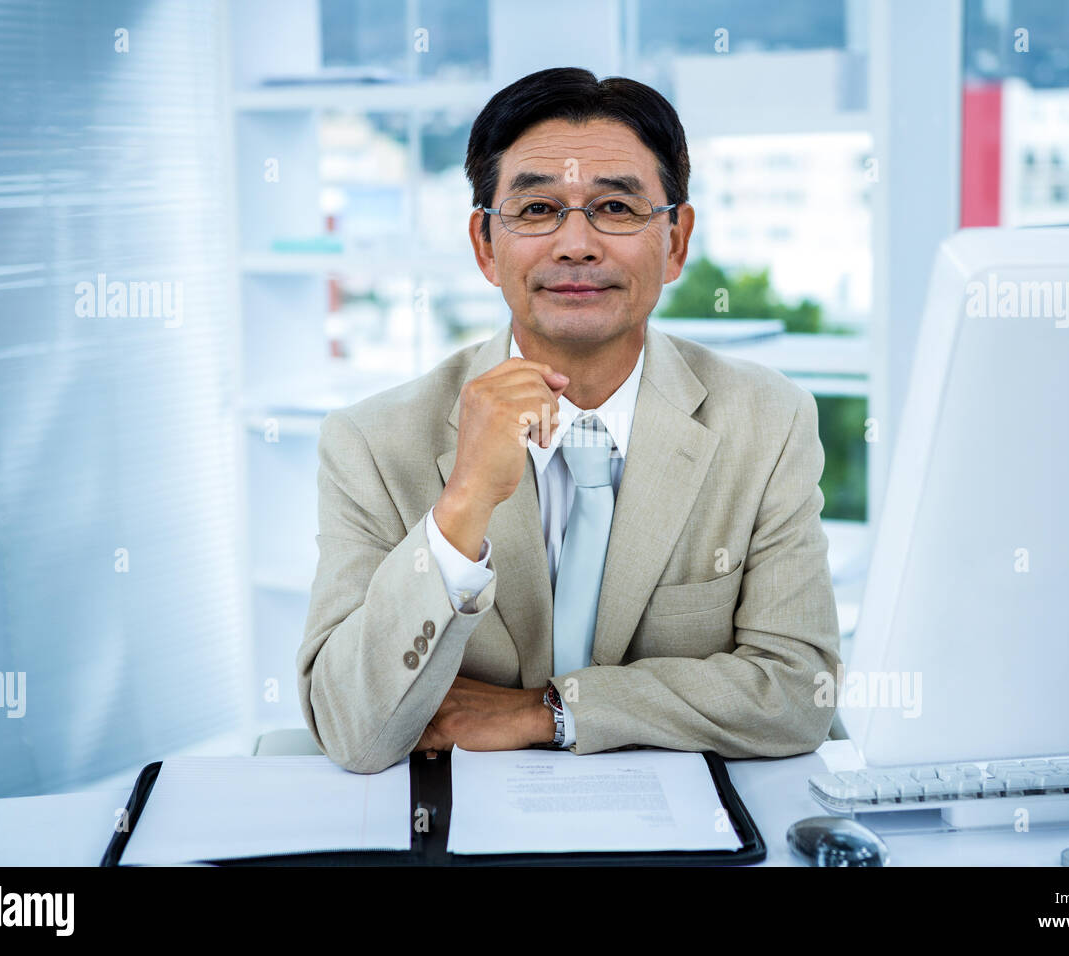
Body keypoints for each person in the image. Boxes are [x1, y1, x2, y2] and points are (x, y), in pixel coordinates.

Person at [297, 67, 840, 774]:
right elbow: (351, 728)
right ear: (485, 245)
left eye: (615, 208)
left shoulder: (767, 421)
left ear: (676, 240)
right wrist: (463, 503)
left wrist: (545, 712)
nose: (576, 244)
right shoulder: (371, 443)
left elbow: (798, 692)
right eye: (536, 209)